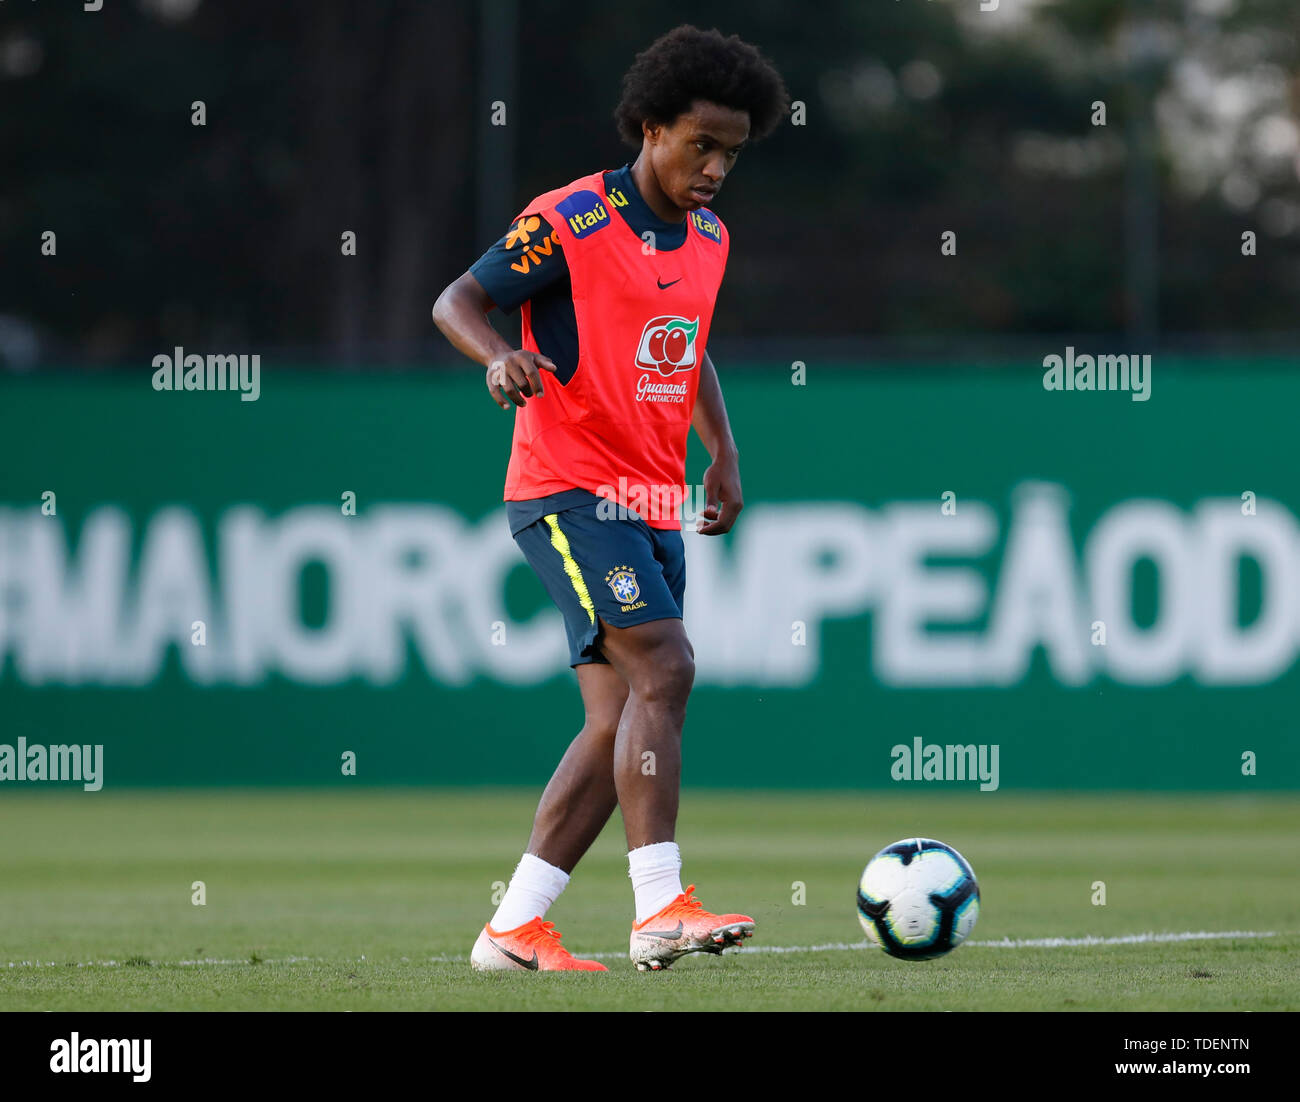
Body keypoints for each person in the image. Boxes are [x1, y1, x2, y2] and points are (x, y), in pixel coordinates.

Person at [433, 24, 788, 972]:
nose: (715, 168)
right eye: (700, 145)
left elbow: (690, 343)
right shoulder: (570, 219)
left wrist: (725, 454)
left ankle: (514, 929)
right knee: (667, 670)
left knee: (614, 718)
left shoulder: (708, 236)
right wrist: (500, 354)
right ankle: (660, 906)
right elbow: (457, 301)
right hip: (567, 489)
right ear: (650, 127)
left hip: (652, 495)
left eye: (732, 154)